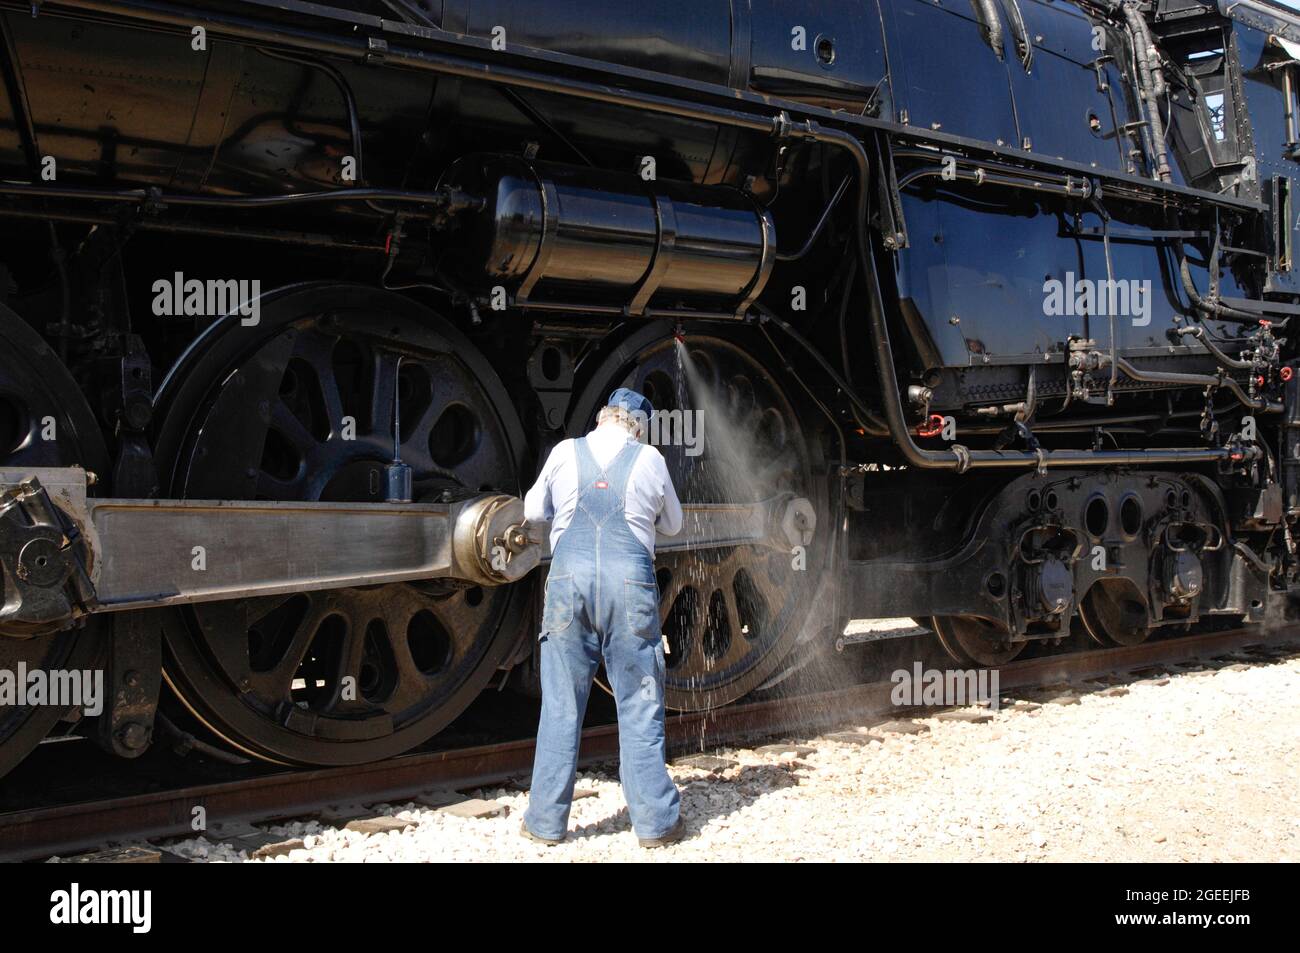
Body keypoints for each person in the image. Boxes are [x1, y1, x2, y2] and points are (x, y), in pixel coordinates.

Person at [520, 387, 686, 847]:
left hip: (568, 586)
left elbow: (533, 510)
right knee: (638, 701)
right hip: (629, 589)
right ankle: (655, 824)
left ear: (601, 418)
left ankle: (545, 822)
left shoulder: (564, 452)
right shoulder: (650, 458)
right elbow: (673, 524)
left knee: (561, 704)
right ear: (638, 428)